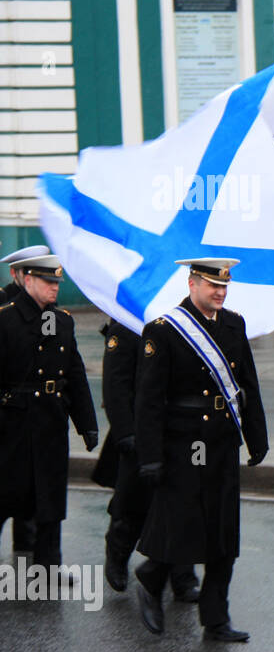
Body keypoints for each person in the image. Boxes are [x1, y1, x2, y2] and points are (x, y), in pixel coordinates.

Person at [134, 259, 269, 641]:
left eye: (224, 286)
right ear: (192, 283)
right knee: (183, 523)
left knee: (223, 533)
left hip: (223, 439)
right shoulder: (163, 331)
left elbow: (248, 383)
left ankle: (216, 619)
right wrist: (150, 456)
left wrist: (256, 437)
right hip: (182, 442)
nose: (220, 292)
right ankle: (152, 576)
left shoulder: (233, 324)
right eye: (213, 285)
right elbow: (148, 400)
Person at [0, 254, 97, 573]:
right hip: (13, 422)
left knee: (51, 496)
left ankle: (48, 565)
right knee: (8, 492)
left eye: (57, 282)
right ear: (28, 281)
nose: (54, 287)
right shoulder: (6, 320)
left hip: (51, 420)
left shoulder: (64, 321)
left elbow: (75, 374)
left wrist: (87, 425)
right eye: (48, 281)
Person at [92, 319, 199, 599]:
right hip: (139, 431)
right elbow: (115, 385)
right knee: (133, 504)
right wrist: (125, 433)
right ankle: (117, 550)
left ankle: (183, 577)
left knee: (182, 504)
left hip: (177, 428)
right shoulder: (126, 325)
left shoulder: (182, 323)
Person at [0, 243, 51, 555]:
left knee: (34, 489)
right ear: (15, 274)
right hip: (8, 410)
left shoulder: (47, 308)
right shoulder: (4, 304)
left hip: (38, 412)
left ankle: (30, 554)